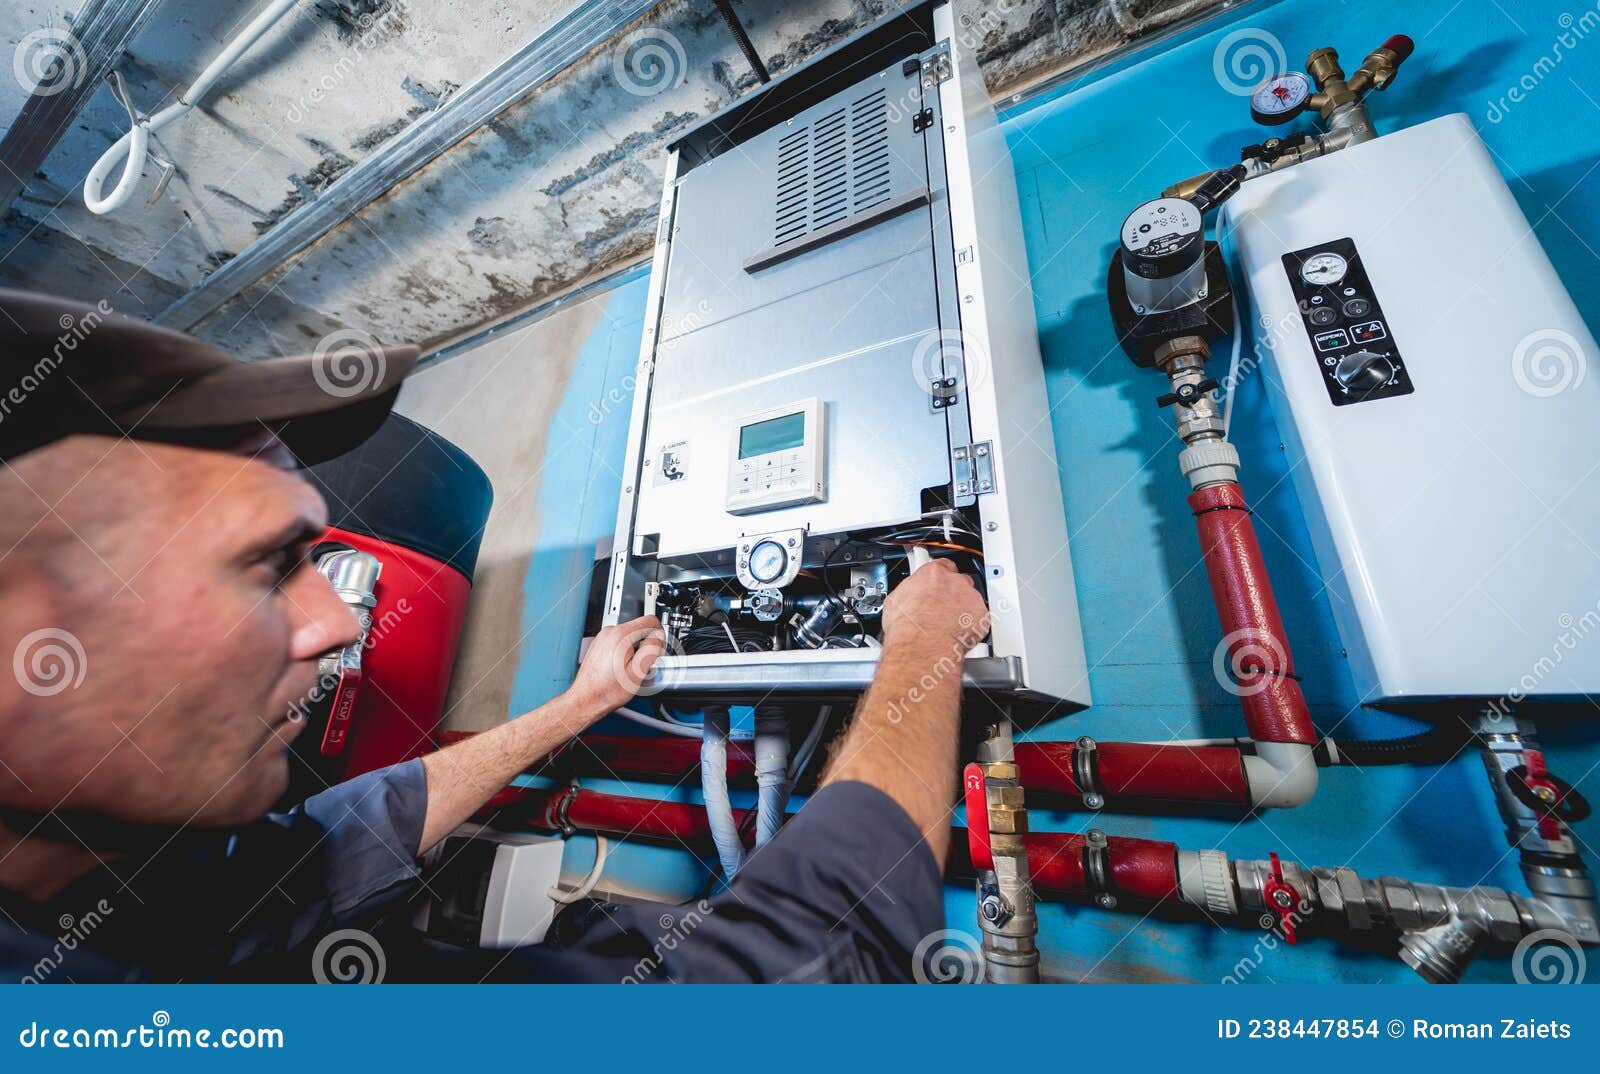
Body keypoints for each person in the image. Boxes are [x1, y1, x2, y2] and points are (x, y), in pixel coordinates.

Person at [0, 289, 990, 983]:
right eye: (266, 565)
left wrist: (582, 703)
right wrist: (923, 644)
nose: (340, 619)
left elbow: (334, 844)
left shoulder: (112, 883)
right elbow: (801, 979)